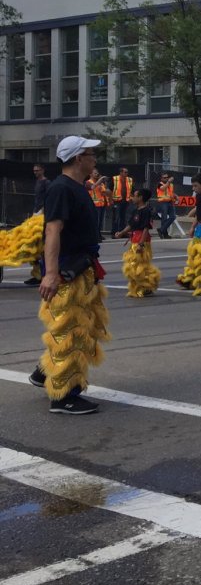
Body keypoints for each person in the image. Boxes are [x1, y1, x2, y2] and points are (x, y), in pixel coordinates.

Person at [29, 136, 108, 415]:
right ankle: (64, 397)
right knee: (72, 333)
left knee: (81, 328)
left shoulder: (76, 187)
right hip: (67, 272)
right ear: (78, 159)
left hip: (82, 268)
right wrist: (50, 274)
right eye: (91, 153)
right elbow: (53, 231)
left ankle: (43, 372)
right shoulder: (62, 188)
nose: (94, 158)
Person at [114, 187, 161, 297]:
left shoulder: (146, 211)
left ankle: (145, 286)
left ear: (140, 197)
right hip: (134, 240)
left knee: (139, 266)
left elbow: (145, 228)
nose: (132, 198)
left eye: (134, 196)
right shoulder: (136, 210)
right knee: (134, 266)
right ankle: (144, 286)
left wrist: (141, 244)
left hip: (142, 241)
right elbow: (131, 225)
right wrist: (120, 233)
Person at [24, 163, 50, 285]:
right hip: (36, 213)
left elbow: (48, 199)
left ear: (43, 170)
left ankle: (42, 274)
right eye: (34, 171)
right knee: (34, 245)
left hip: (42, 214)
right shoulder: (38, 182)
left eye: (37, 170)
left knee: (40, 245)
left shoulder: (46, 183)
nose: (35, 172)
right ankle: (38, 274)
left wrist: (42, 212)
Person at [110, 166, 134, 238]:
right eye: (125, 172)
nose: (127, 173)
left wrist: (132, 198)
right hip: (117, 201)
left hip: (126, 201)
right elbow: (110, 190)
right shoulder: (114, 179)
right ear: (121, 172)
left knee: (124, 218)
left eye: (127, 172)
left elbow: (132, 190)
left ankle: (122, 233)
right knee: (116, 218)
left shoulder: (129, 180)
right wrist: (111, 200)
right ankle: (114, 233)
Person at [88, 170, 110, 241]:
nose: (97, 174)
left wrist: (105, 182)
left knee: (100, 222)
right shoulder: (88, 182)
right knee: (95, 222)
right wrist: (101, 179)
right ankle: (95, 236)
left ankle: (99, 235)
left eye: (97, 173)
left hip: (101, 204)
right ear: (90, 174)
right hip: (94, 205)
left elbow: (105, 192)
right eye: (95, 173)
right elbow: (93, 187)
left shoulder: (101, 184)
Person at [155, 173, 177, 239]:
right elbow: (163, 189)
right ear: (161, 179)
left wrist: (175, 197)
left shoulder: (171, 185)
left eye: (167, 177)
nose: (166, 178)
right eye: (164, 177)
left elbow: (171, 193)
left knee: (173, 217)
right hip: (163, 202)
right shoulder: (160, 184)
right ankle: (165, 234)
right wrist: (168, 182)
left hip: (170, 202)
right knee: (164, 218)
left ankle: (161, 230)